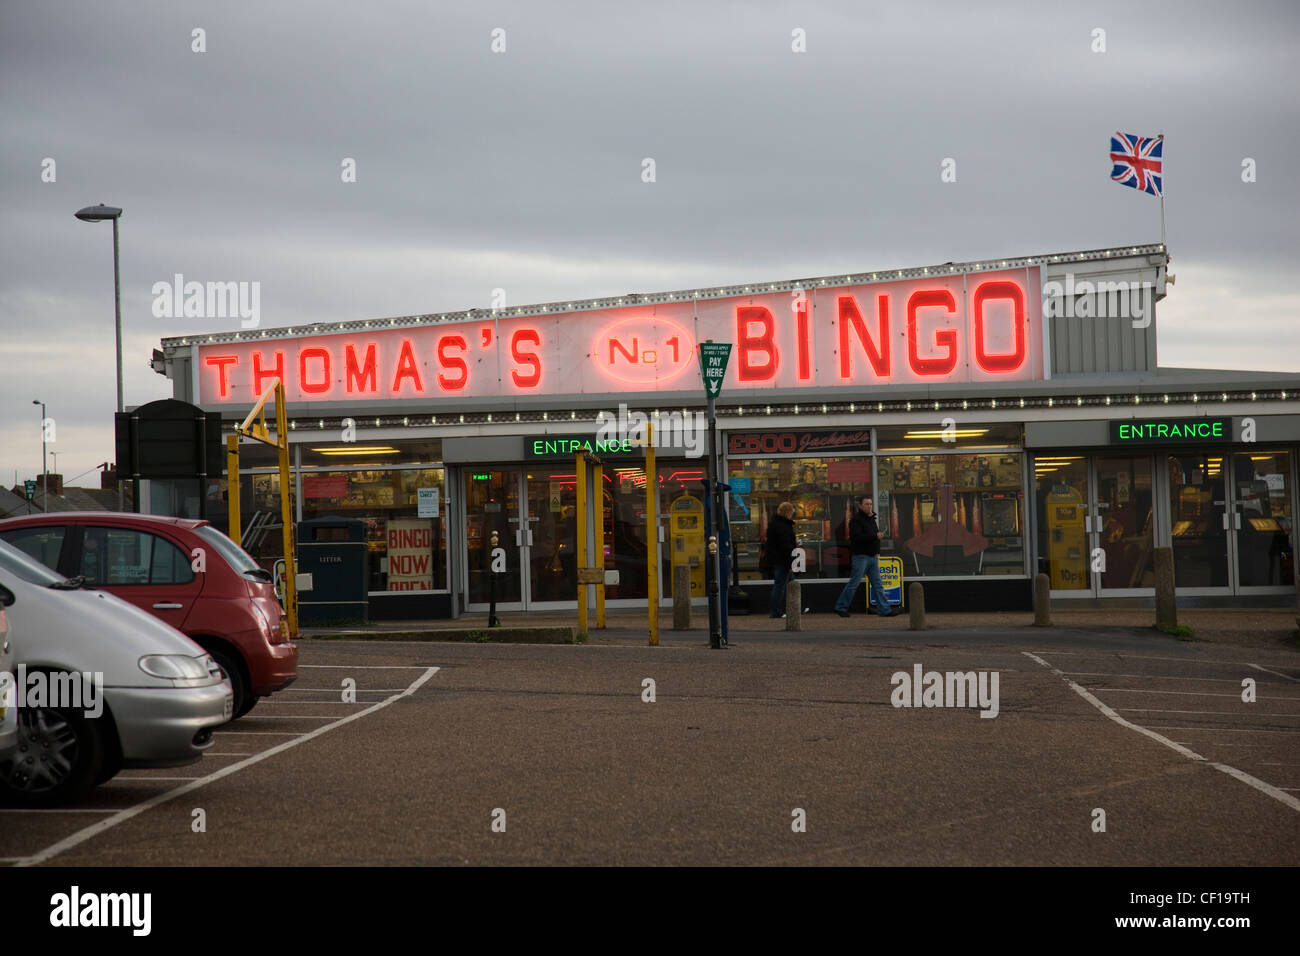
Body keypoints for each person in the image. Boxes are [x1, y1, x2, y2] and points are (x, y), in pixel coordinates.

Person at [833, 495, 896, 618]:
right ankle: (840, 607)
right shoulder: (856, 521)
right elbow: (856, 538)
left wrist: (877, 550)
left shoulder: (871, 519)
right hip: (861, 557)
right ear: (860, 506)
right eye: (867, 504)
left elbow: (874, 537)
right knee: (854, 584)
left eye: (871, 504)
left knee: (878, 585)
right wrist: (875, 537)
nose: (869, 506)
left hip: (872, 557)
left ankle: (884, 610)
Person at [767, 501, 797, 618]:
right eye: (791, 513)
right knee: (780, 586)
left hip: (778, 559)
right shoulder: (784, 526)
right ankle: (775, 611)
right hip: (783, 560)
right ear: (788, 513)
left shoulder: (775, 524)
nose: (792, 515)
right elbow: (785, 546)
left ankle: (797, 606)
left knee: (790, 583)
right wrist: (790, 562)